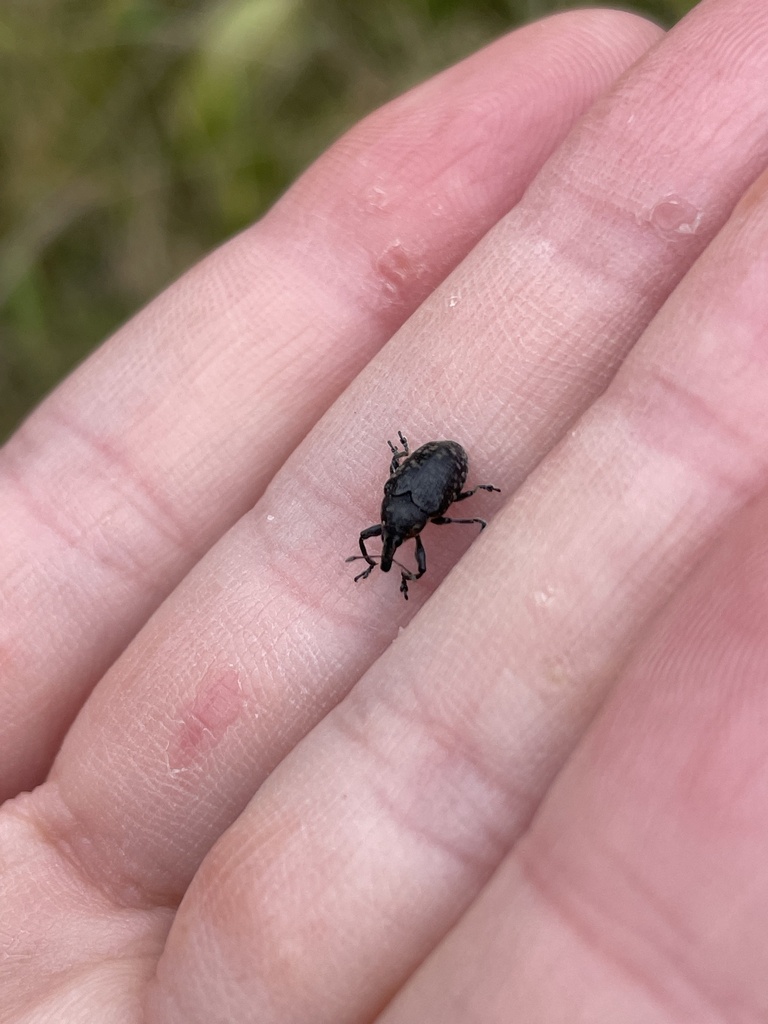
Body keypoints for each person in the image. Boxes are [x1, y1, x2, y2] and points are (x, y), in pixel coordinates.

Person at [2, 1, 768, 1020]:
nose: (397, 543)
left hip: (436, 461)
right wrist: (401, 530)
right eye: (399, 541)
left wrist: (435, 496)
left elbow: (417, 495)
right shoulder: (401, 521)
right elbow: (400, 513)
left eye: (401, 539)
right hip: (429, 465)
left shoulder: (417, 507)